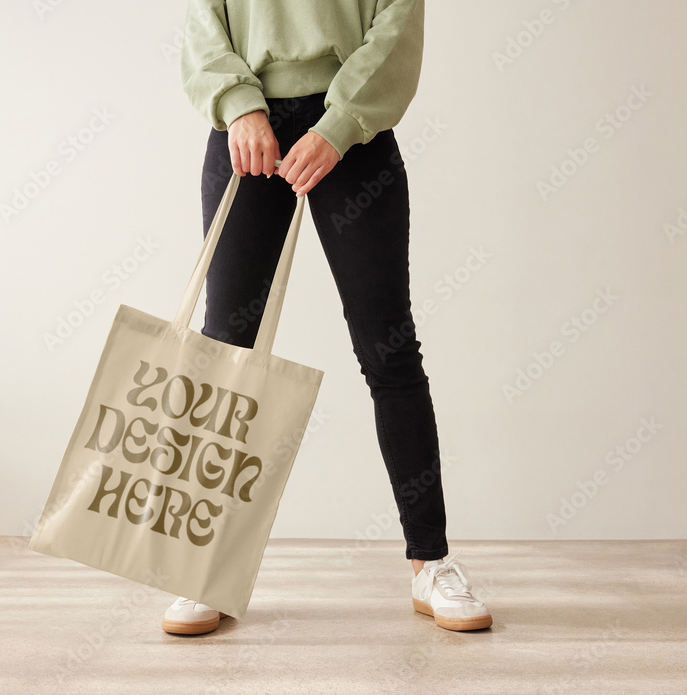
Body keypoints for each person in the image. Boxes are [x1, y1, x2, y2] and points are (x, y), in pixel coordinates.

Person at [161, 0, 492, 635]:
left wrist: (337, 125)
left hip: (355, 134)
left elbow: (397, 29)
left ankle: (432, 562)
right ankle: (203, 570)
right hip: (246, 131)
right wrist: (240, 105)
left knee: (389, 350)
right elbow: (204, 23)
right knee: (227, 346)